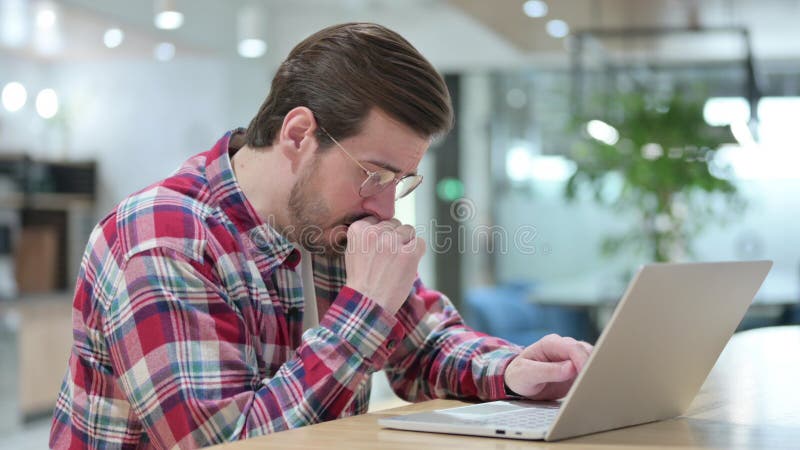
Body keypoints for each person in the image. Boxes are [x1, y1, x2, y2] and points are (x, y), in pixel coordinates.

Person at [50, 22, 592, 449]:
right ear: (299, 134)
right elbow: (227, 444)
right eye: (374, 174)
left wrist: (516, 371)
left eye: (400, 181)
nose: (384, 206)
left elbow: (425, 347)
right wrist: (364, 306)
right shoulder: (163, 240)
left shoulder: (331, 224)